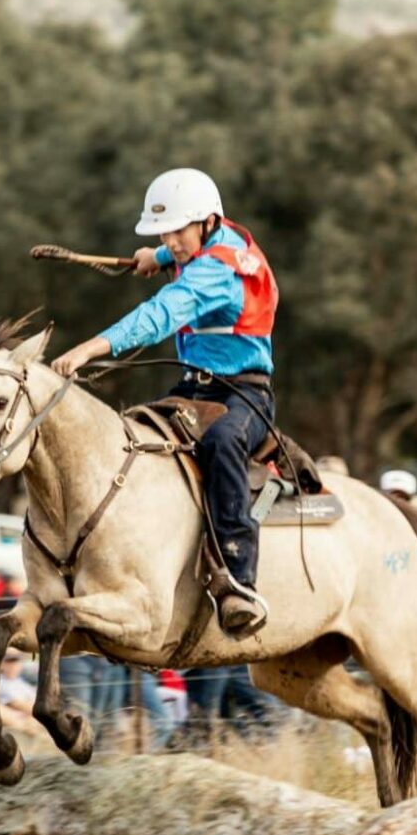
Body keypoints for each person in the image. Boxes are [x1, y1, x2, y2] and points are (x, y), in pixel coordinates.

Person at [49, 167, 280, 635]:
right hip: (193, 390)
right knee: (137, 436)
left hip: (244, 394)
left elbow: (159, 315)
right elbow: (180, 252)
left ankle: (239, 580)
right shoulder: (204, 243)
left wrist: (90, 348)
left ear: (207, 222)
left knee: (220, 443)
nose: (172, 241)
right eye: (164, 232)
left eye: (178, 231)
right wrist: (155, 254)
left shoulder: (218, 268)